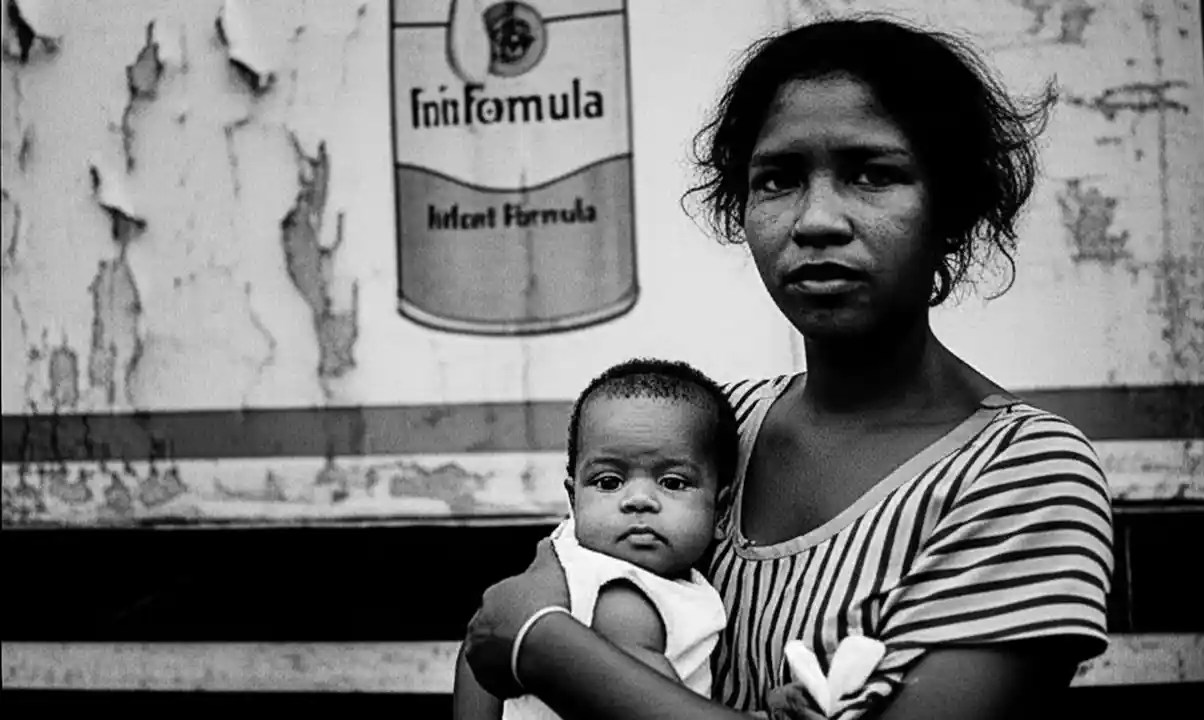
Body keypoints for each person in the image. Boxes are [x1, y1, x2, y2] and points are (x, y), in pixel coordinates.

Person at [460, 15, 1115, 720]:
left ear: (951, 208)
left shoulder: (1022, 472)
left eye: (874, 174)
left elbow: (521, 629)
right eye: (778, 179)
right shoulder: (709, 430)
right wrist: (531, 633)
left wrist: (547, 648)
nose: (816, 220)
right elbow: (509, 614)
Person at [454, 358, 740, 719]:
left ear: (721, 511)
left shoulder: (559, 569)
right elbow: (650, 707)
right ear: (574, 501)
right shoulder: (627, 596)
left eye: (672, 483)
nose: (639, 500)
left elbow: (476, 658)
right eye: (608, 482)